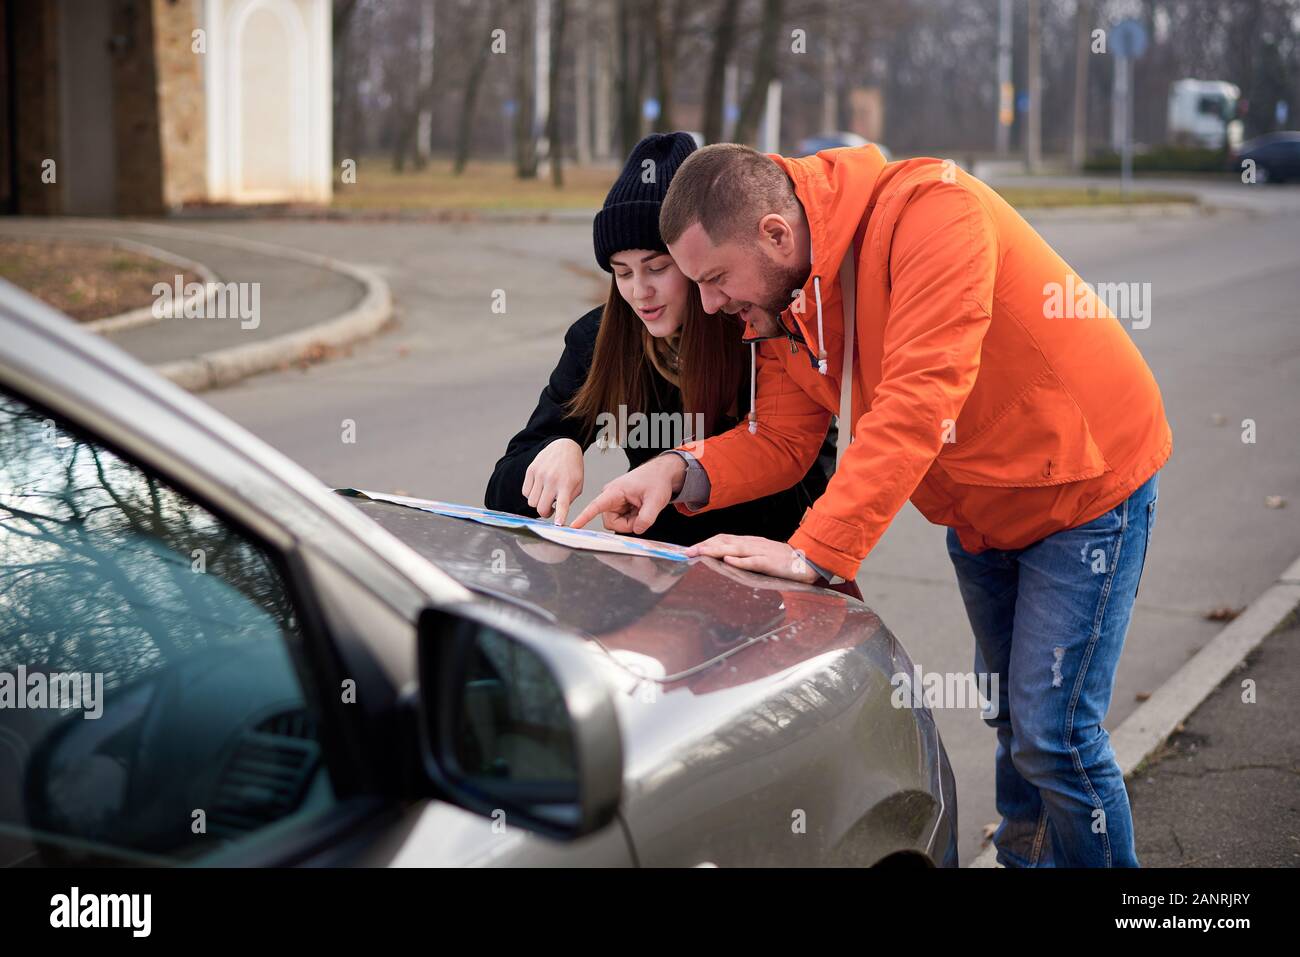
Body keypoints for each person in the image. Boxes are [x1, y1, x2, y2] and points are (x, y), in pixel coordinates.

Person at [572, 142, 1172, 868]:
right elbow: (782, 437)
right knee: (1017, 724)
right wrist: (674, 469)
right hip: (982, 514)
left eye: (716, 278)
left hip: (1082, 488)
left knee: (1056, 734)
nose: (708, 303)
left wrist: (811, 552)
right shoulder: (786, 293)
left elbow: (917, 405)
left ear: (775, 233)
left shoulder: (935, 215)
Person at [485, 133, 833, 546]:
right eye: (623, 272)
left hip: (761, 570)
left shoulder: (759, 324)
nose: (640, 291)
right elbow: (501, 492)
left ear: (695, 260)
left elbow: (807, 472)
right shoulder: (598, 339)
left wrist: (677, 478)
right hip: (656, 577)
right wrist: (554, 448)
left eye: (657, 268)